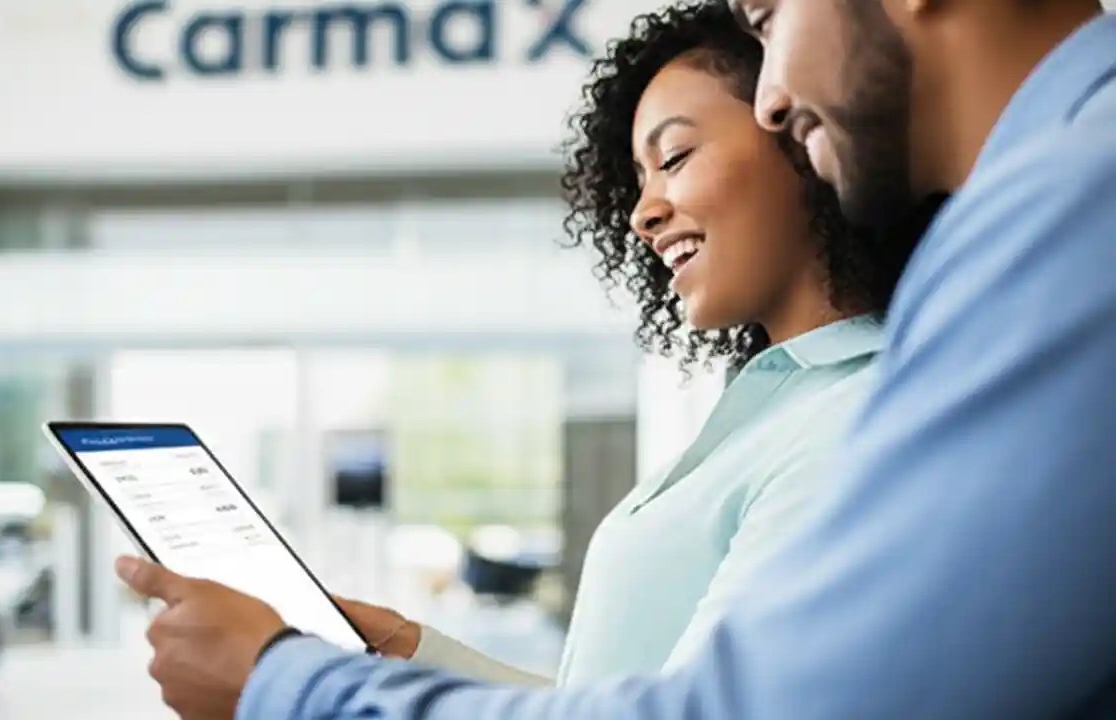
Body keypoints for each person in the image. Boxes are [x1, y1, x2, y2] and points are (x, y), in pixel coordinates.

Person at [117, 0, 1116, 717]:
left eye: (765, 20)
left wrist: (288, 683)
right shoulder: (785, 392)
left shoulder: (1059, 222)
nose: (776, 100)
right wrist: (411, 656)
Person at [332, 2, 917, 689]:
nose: (644, 213)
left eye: (673, 157)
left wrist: (329, 698)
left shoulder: (854, 416)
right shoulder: (779, 404)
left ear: (804, 132)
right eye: (639, 181)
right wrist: (409, 652)